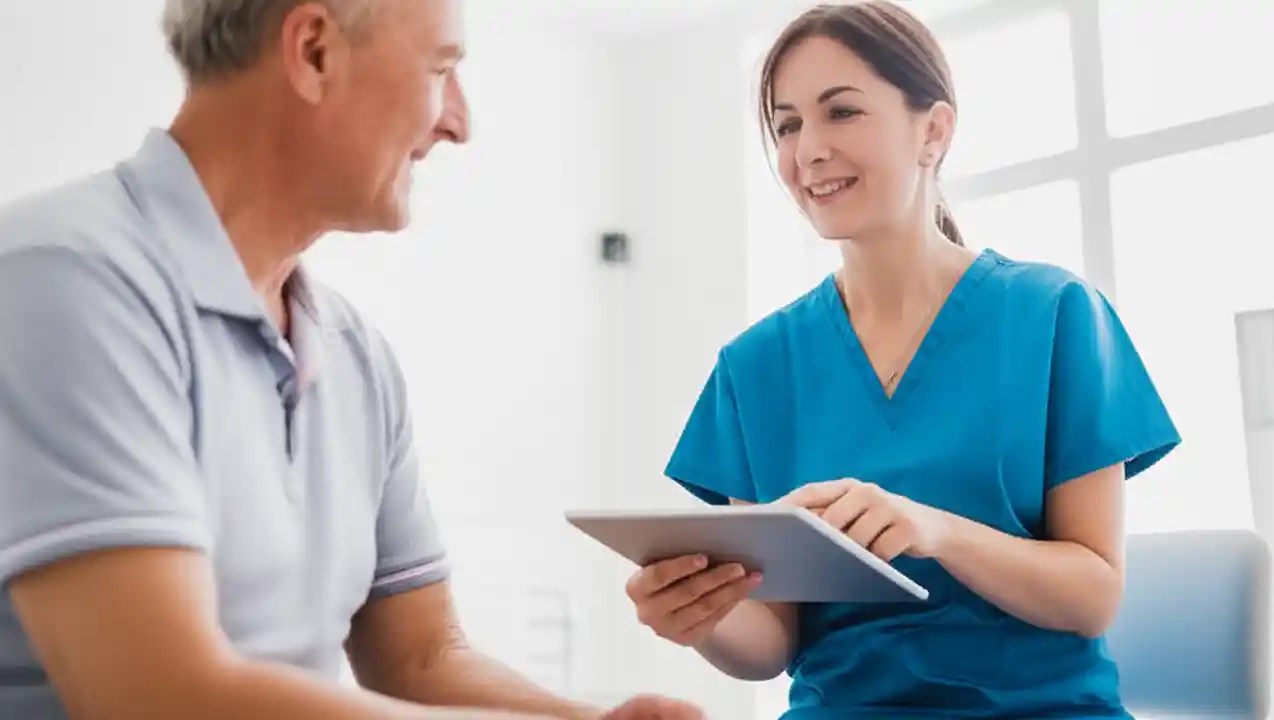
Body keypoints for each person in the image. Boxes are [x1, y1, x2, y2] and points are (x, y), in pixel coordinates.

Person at [0, 1, 704, 719]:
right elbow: (161, 697)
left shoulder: (354, 355)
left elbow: (419, 656)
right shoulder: (62, 279)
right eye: (441, 70)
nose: (458, 123)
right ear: (313, 52)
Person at [623, 2, 1181, 718]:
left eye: (842, 112)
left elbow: (1092, 595)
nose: (808, 150)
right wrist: (702, 615)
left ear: (933, 131)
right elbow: (770, 645)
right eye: (788, 125)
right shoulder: (755, 367)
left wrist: (936, 531)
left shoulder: (1055, 315)